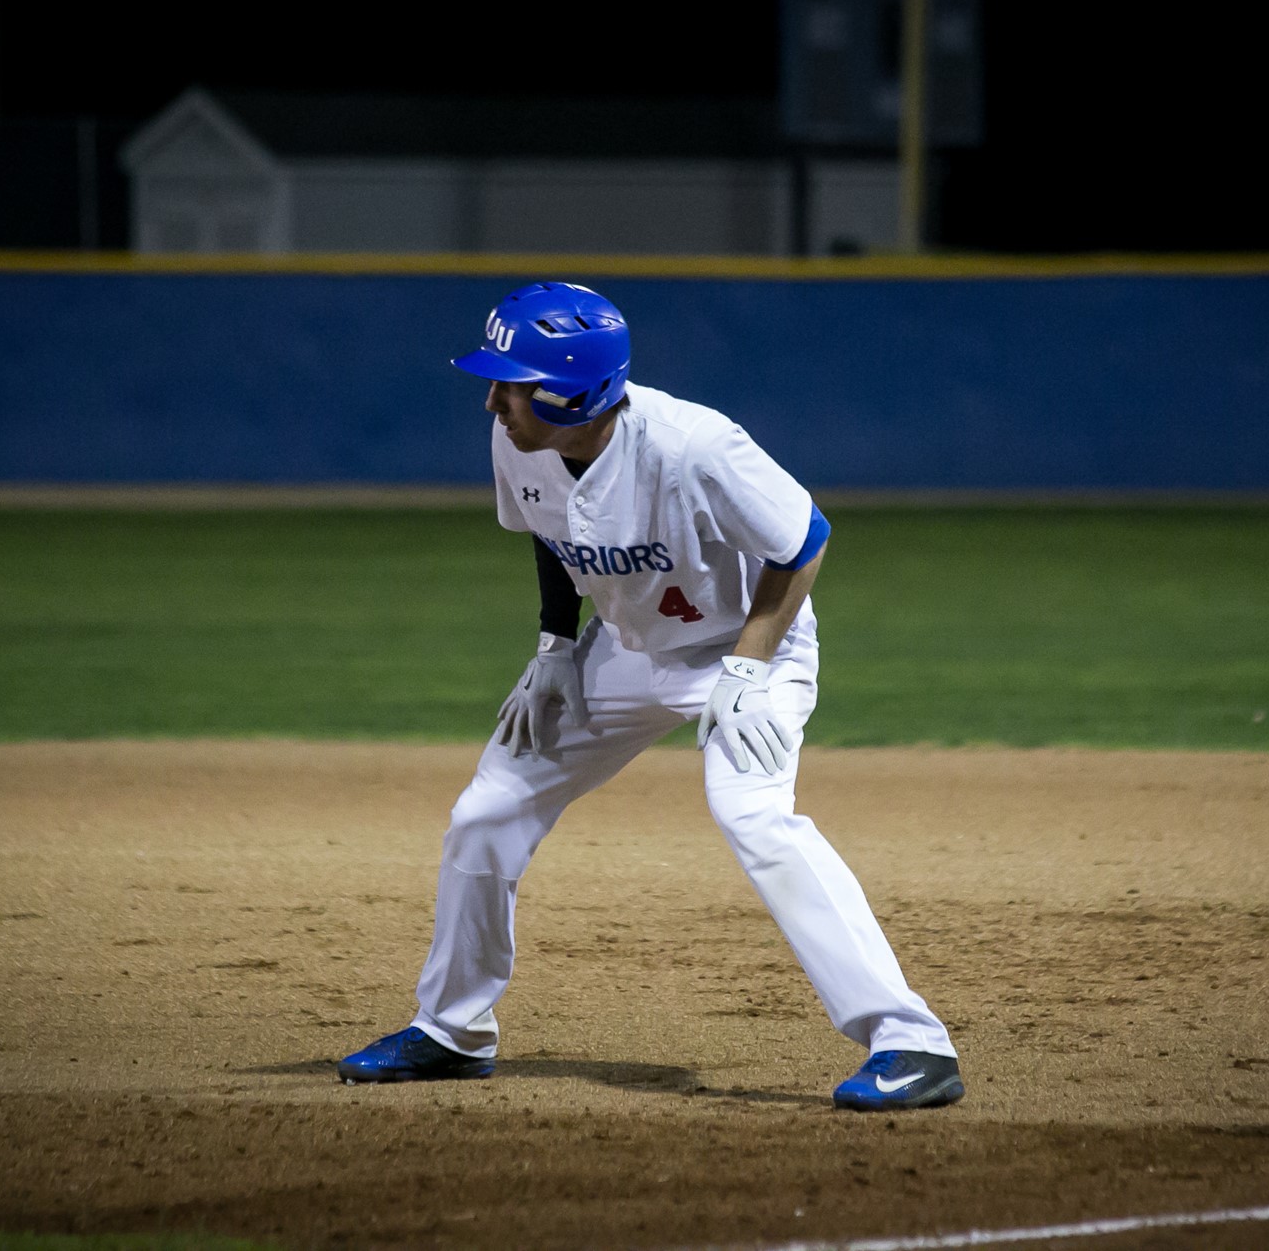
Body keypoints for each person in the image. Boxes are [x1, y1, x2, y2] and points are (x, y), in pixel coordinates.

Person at [338, 281, 963, 1110]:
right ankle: (453, 1031)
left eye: (512, 381)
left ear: (574, 390)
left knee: (752, 814)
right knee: (488, 808)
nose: (492, 398)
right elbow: (548, 533)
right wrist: (555, 645)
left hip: (748, 647)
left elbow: (805, 538)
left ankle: (912, 1040)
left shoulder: (693, 445)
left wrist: (747, 668)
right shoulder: (515, 438)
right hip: (624, 652)